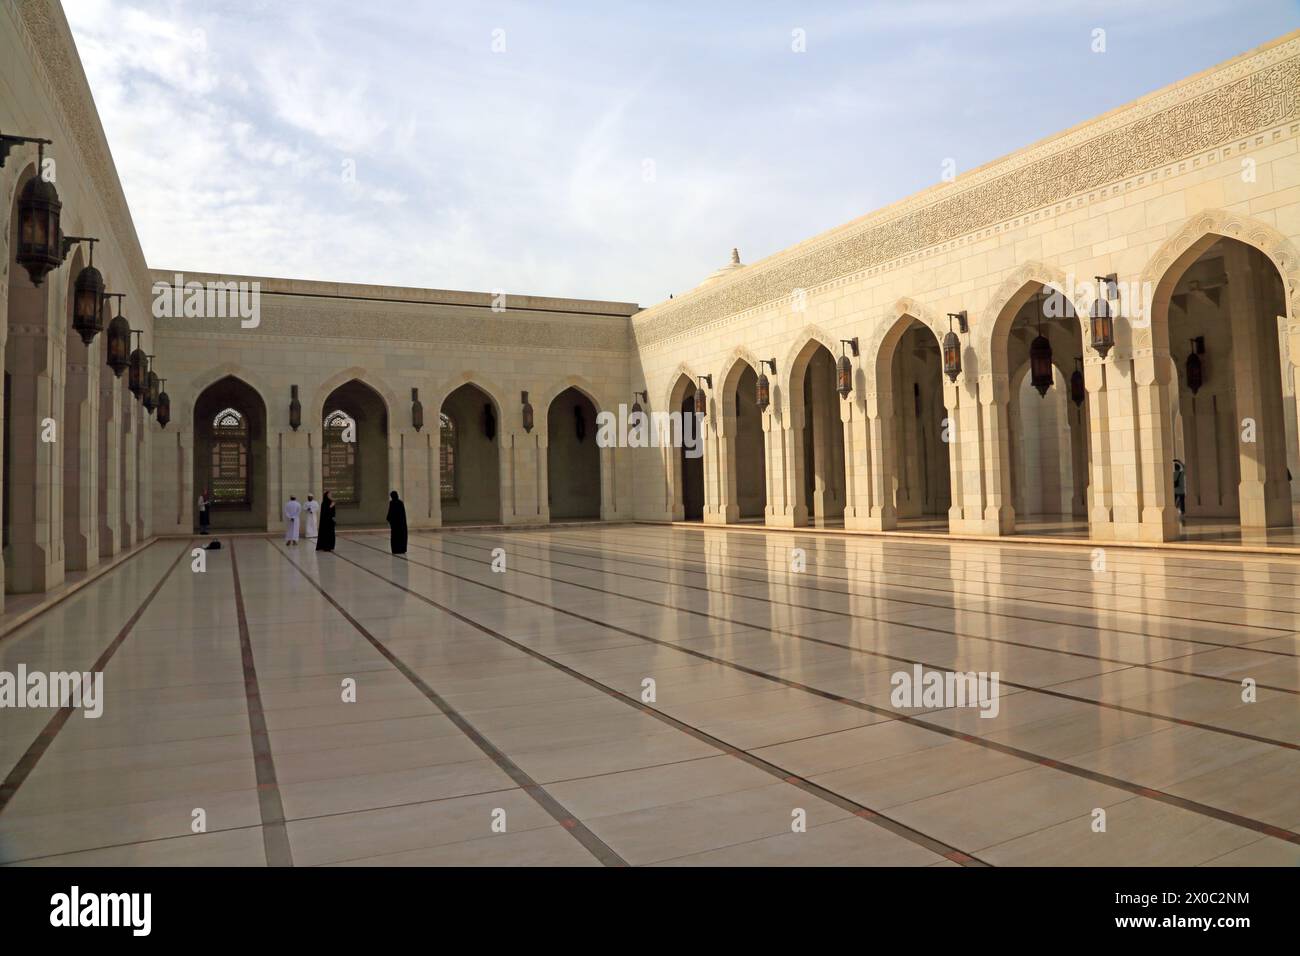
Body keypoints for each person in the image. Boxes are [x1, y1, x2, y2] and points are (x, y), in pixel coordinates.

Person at [387, 490, 408, 555]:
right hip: (401, 525)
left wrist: (390, 521)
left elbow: (389, 514)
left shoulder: (392, 503)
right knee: (401, 537)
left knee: (395, 538)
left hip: (395, 525)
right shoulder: (400, 503)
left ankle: (395, 550)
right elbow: (403, 515)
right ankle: (402, 549)